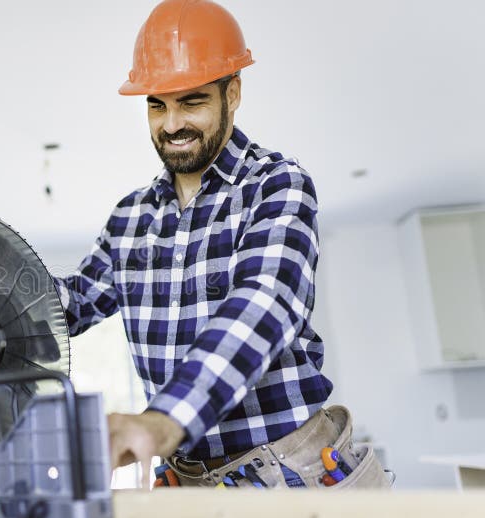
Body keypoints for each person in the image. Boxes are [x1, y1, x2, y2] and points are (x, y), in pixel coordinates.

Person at [53, 0, 391, 489]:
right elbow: (66, 306)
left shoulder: (276, 185)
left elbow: (263, 306)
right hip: (185, 482)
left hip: (289, 473)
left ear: (232, 92)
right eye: (156, 104)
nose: (171, 125)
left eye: (191, 101)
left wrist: (162, 420)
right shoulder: (131, 218)